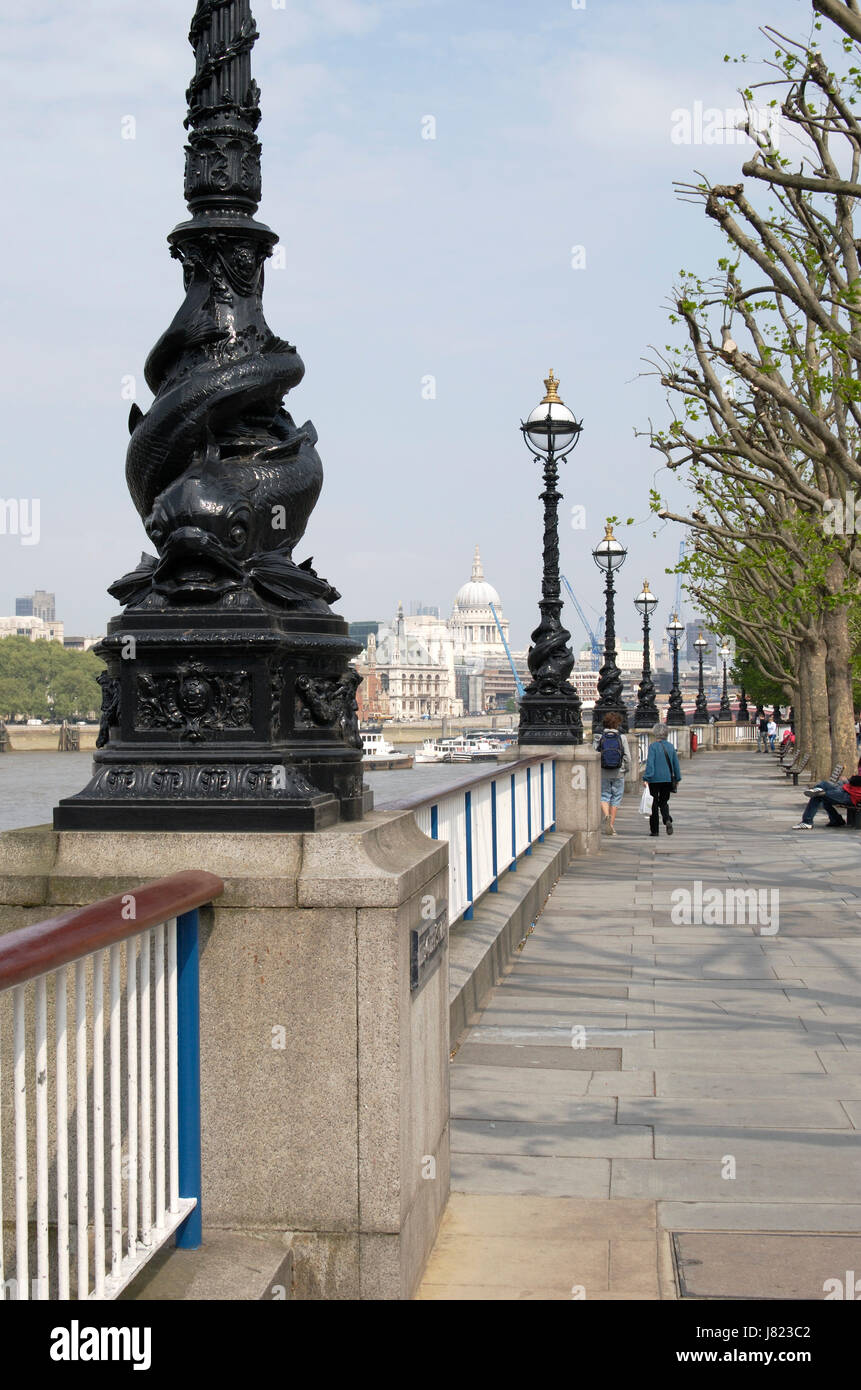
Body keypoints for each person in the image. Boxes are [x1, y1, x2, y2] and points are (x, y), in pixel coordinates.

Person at [593, 711, 631, 836]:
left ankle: (606, 815)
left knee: (604, 795)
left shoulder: (599, 737)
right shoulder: (622, 737)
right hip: (618, 771)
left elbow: (594, 753)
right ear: (617, 724)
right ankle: (611, 825)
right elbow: (627, 757)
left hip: (603, 771)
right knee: (616, 798)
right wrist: (626, 769)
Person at [643, 724, 682, 836]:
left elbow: (650, 764)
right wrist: (678, 778)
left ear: (655, 733)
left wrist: (646, 778)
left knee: (654, 804)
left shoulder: (653, 746)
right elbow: (675, 764)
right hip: (667, 779)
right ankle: (666, 819)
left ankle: (654, 830)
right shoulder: (670, 746)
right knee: (663, 802)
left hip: (654, 779)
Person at [793, 770, 861, 829]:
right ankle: (836, 820)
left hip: (851, 796)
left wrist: (848, 780)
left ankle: (807, 821)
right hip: (847, 790)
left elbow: (856, 781)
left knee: (819, 794)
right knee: (823, 785)